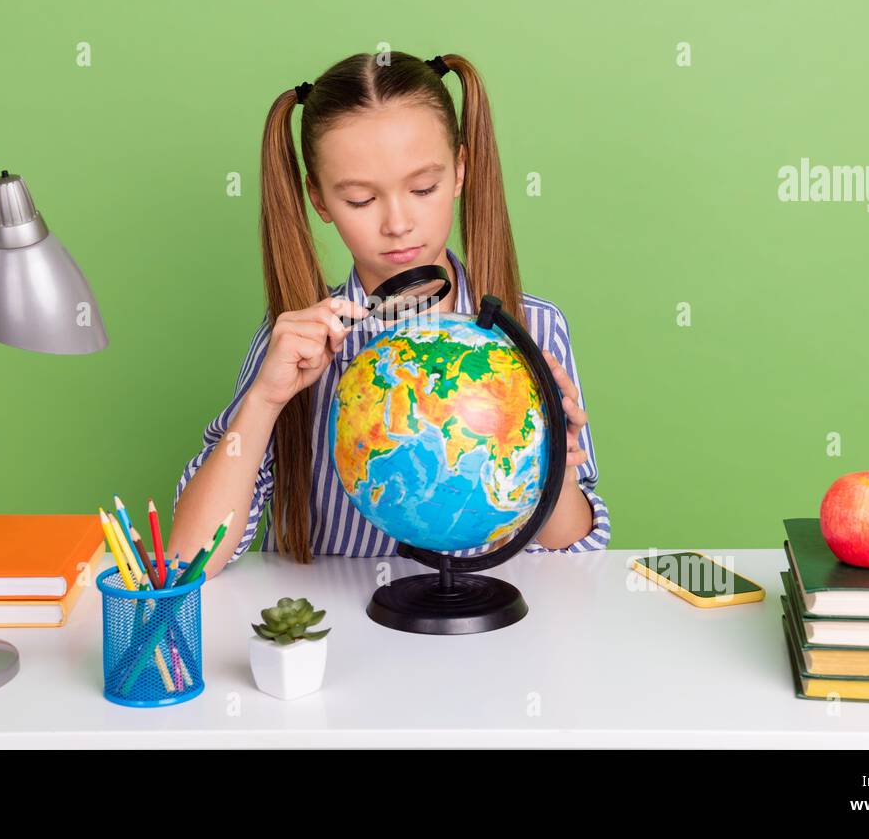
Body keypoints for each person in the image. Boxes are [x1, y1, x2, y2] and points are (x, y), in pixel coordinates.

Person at [170, 51, 610, 580]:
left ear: (461, 171)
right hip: (341, 636)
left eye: (422, 189)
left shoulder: (535, 328)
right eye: (360, 199)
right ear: (320, 200)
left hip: (488, 646)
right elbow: (187, 560)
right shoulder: (298, 347)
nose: (398, 223)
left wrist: (554, 464)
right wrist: (265, 400)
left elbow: (573, 558)